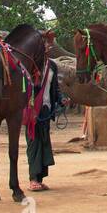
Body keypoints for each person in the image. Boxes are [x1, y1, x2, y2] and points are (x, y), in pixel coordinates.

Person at [27, 59, 63, 192]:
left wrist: (61, 99)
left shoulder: (52, 65)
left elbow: (55, 88)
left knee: (44, 142)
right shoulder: (32, 64)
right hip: (33, 109)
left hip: (46, 108)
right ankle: (33, 179)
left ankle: (40, 179)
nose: (48, 45)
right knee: (34, 142)